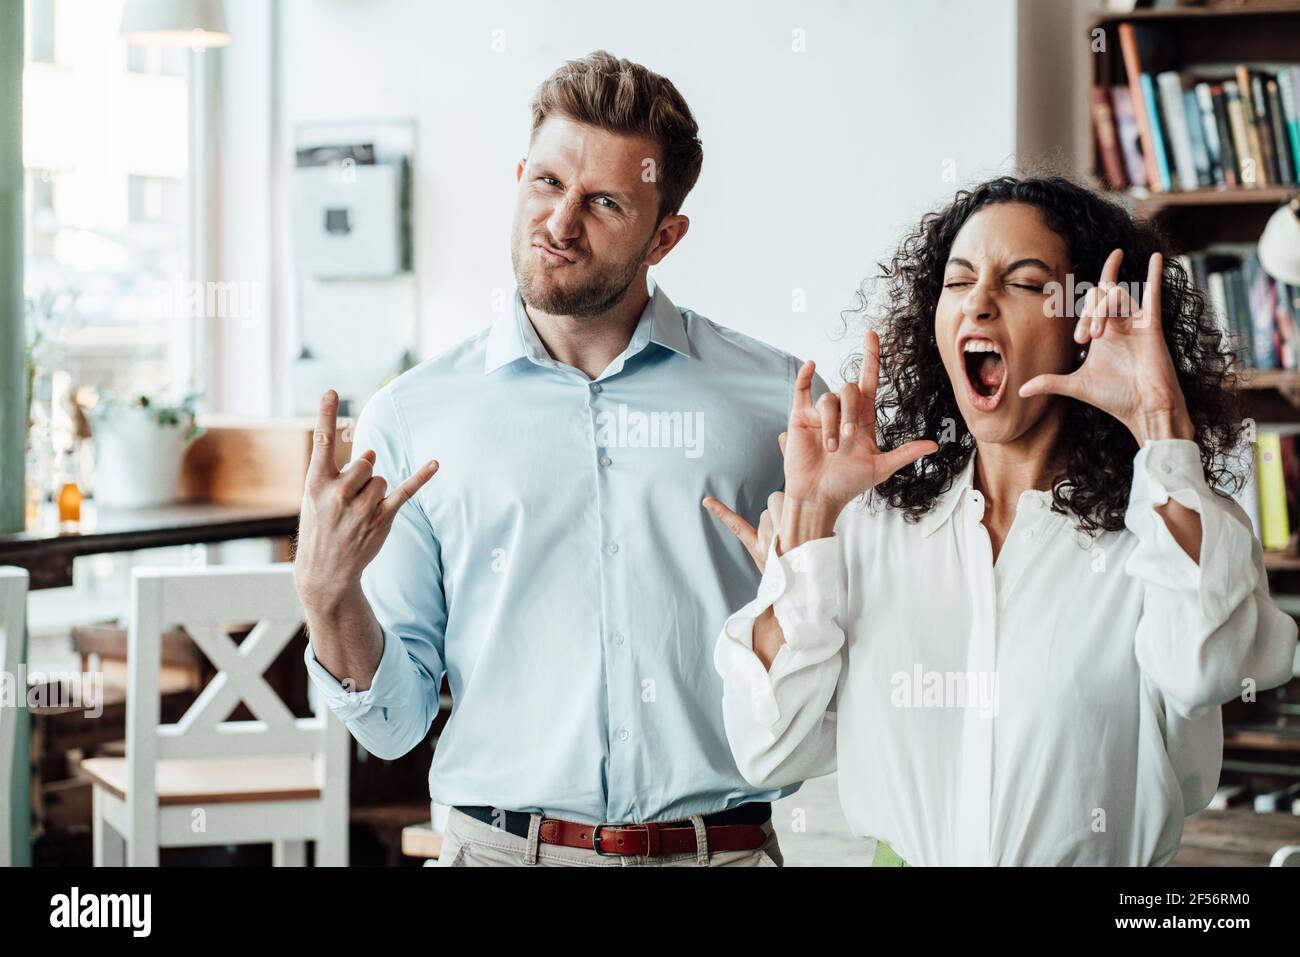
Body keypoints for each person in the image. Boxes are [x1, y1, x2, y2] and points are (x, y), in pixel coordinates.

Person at [293, 50, 825, 867]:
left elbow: (825, 677)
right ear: (519, 177)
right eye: (546, 184)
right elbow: (395, 722)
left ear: (666, 235)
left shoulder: (778, 406)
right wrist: (329, 600)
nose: (561, 223)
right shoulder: (413, 415)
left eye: (605, 201)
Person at [706, 175, 1299, 866]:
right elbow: (767, 748)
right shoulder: (869, 529)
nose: (979, 303)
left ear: (1084, 321)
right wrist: (809, 525)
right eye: (958, 283)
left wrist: (1157, 418)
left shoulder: (1166, 529)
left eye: (1021, 282)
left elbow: (1207, 666)